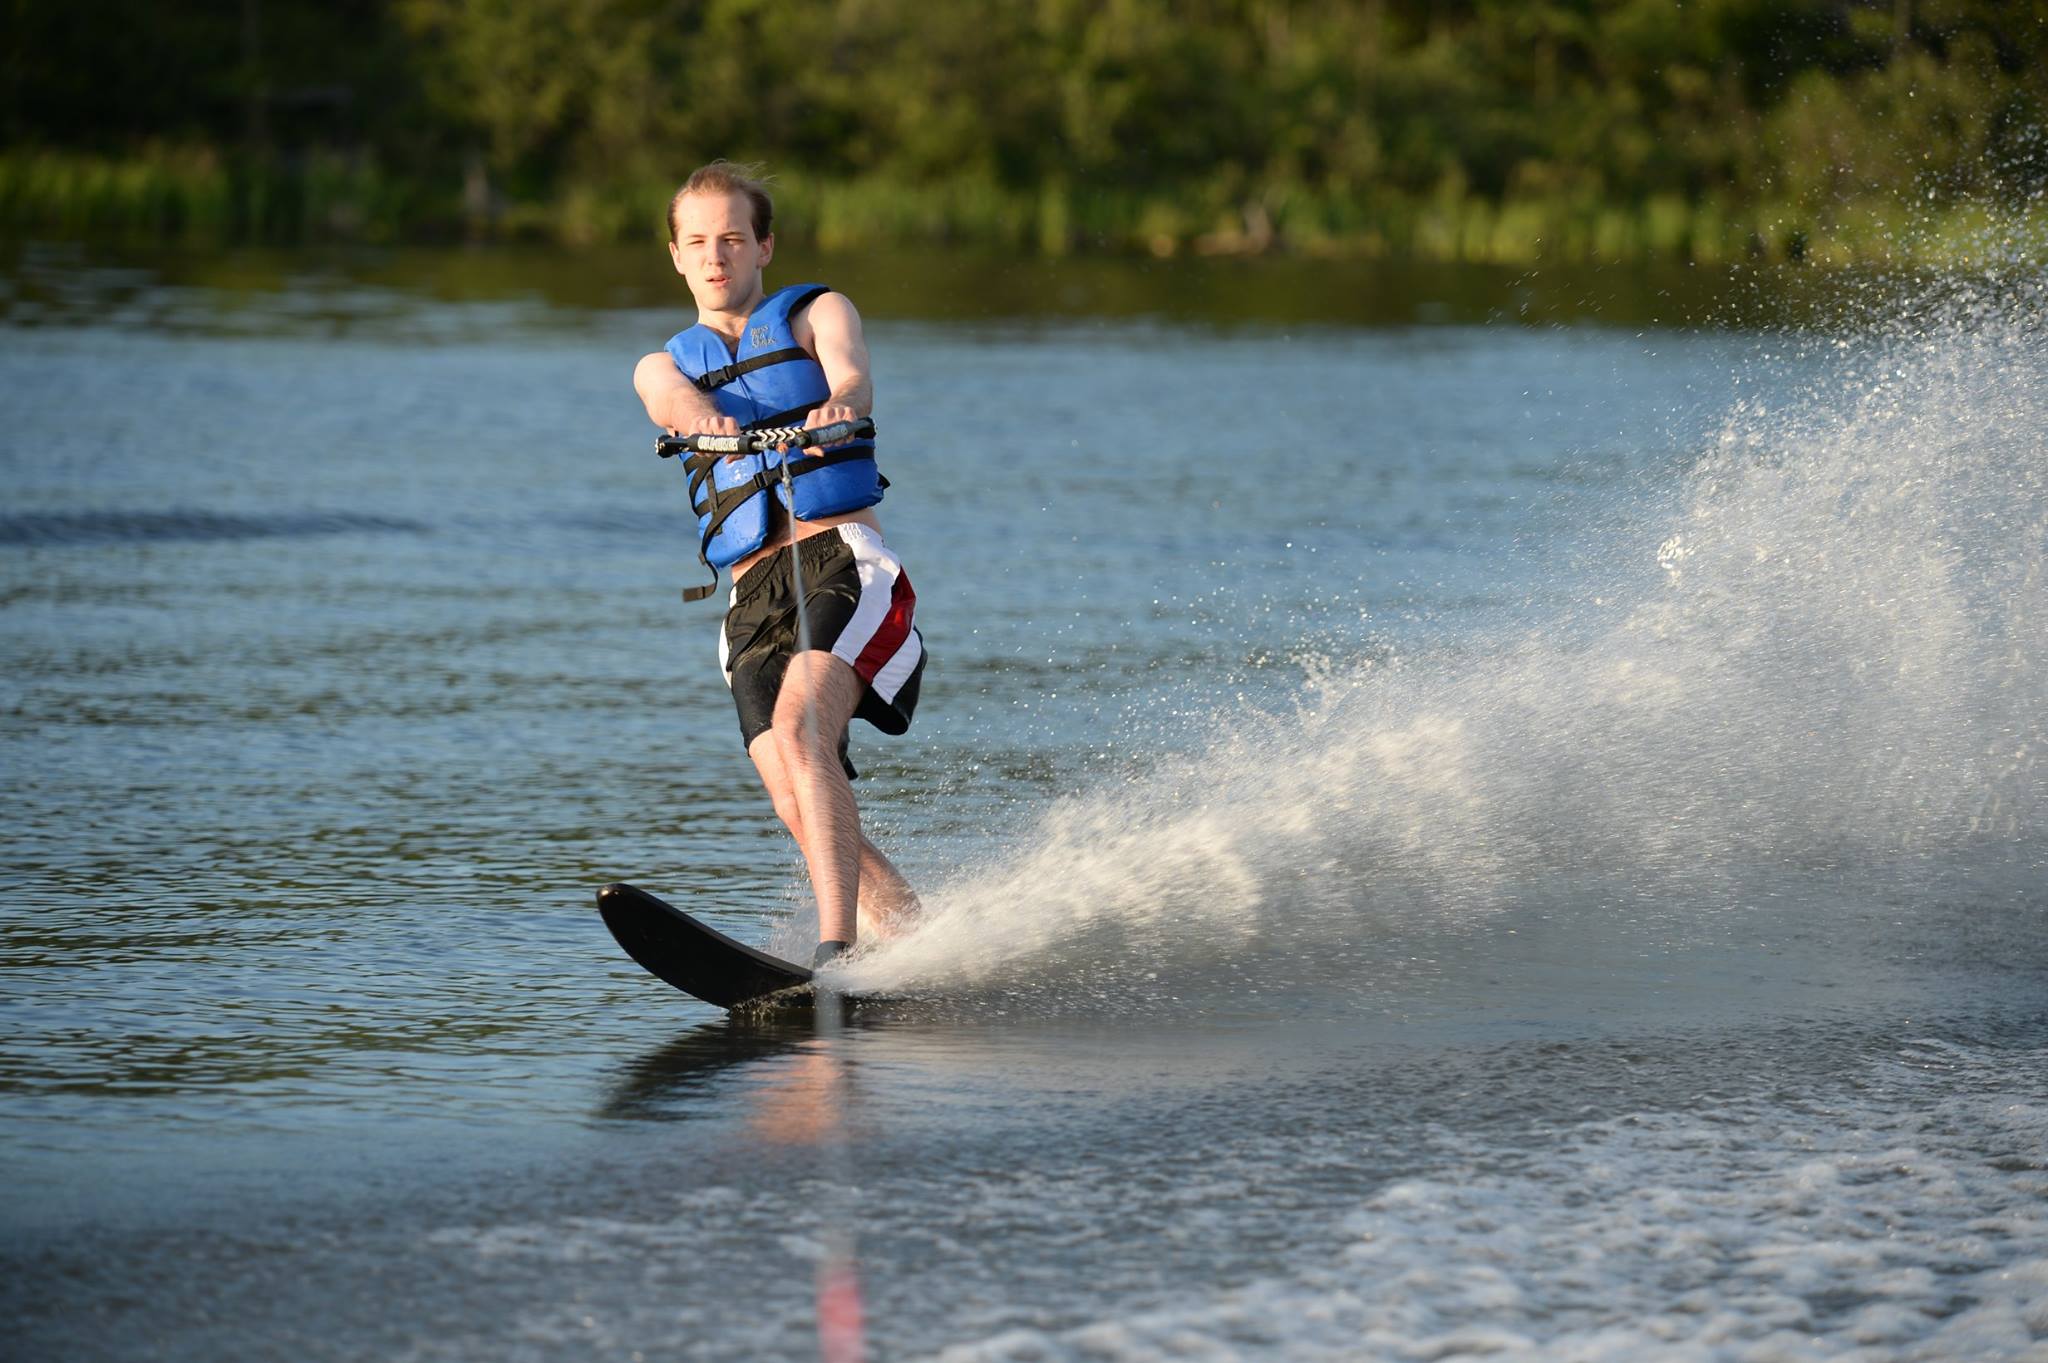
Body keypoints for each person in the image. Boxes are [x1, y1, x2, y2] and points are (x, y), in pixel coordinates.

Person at [632, 161, 924, 968]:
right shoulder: (664, 363)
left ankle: (836, 950)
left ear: (764, 246)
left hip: (843, 566)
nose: (715, 255)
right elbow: (672, 402)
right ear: (677, 256)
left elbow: (852, 369)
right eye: (698, 241)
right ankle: (908, 930)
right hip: (748, 598)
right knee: (794, 794)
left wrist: (843, 400)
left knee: (802, 732)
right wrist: (709, 420)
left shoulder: (816, 313)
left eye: (732, 237)